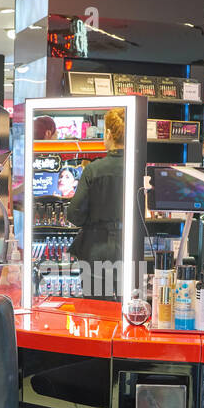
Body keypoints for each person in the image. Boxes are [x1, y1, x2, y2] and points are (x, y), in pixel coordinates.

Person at [67, 108, 126, 285]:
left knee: (96, 309)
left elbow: (74, 214)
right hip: (129, 248)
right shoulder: (137, 168)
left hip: (96, 251)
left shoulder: (94, 169)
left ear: (108, 133)